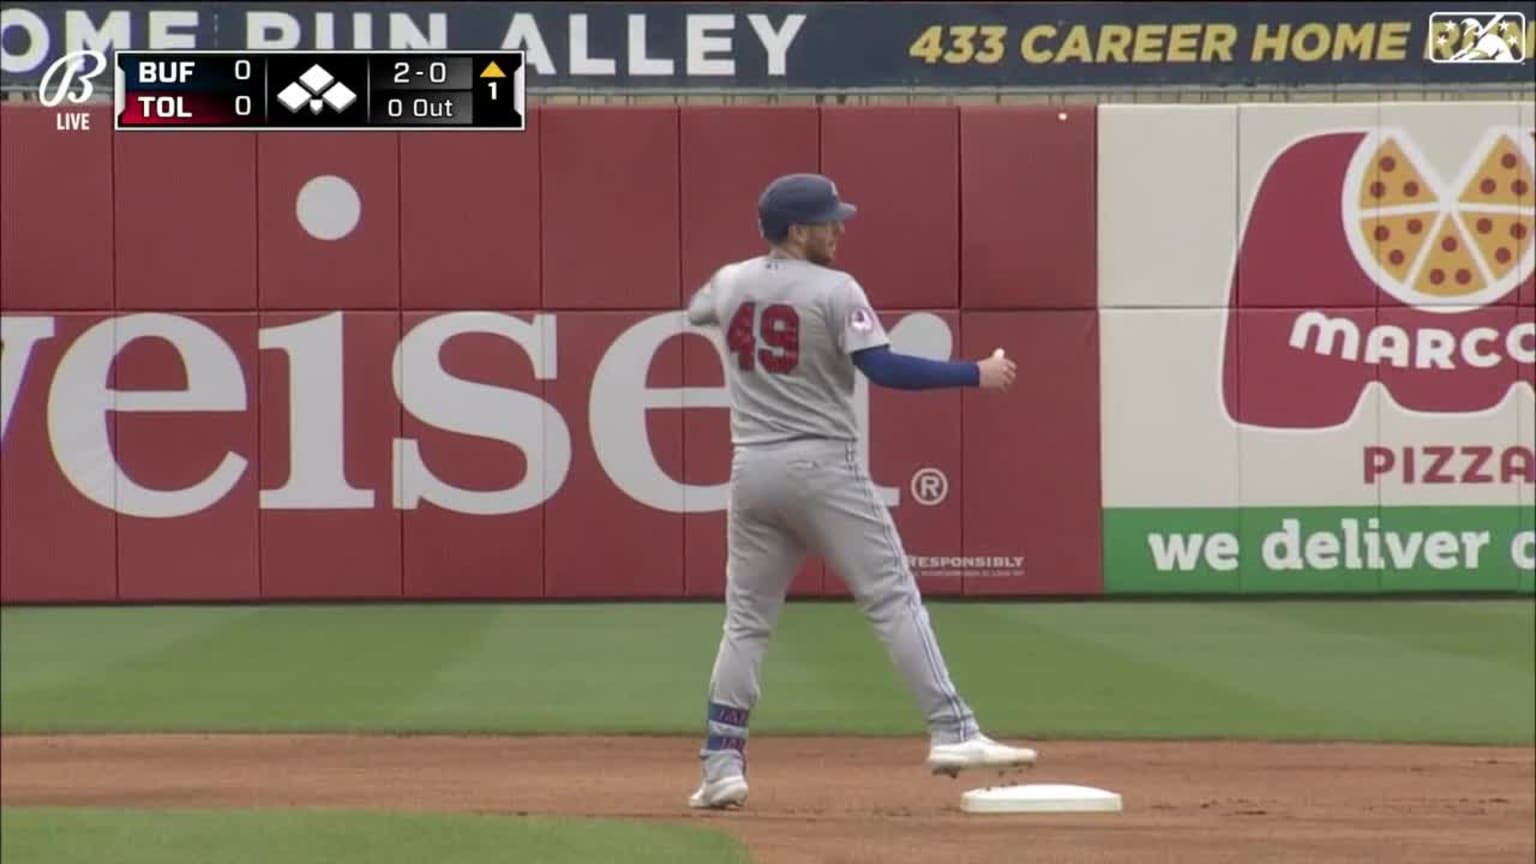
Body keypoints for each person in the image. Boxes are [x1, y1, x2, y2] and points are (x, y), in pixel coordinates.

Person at [682, 172, 1036, 811]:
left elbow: (696, 309)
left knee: (747, 622)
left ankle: (721, 764)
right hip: (821, 465)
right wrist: (974, 373)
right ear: (797, 230)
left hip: (752, 469)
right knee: (892, 598)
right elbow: (883, 367)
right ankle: (953, 730)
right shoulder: (835, 288)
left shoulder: (730, 281)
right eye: (826, 221)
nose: (839, 228)